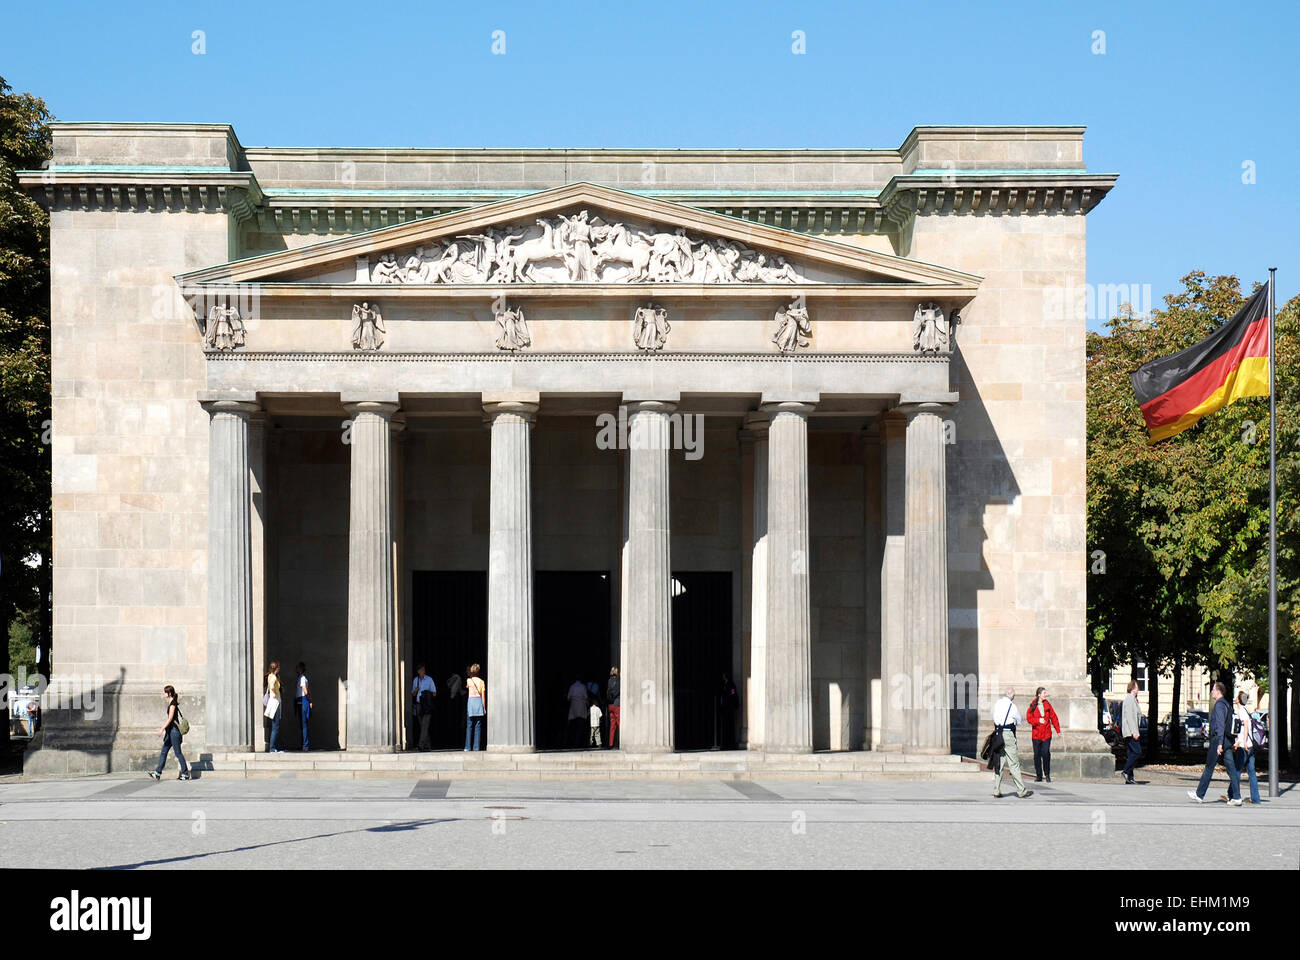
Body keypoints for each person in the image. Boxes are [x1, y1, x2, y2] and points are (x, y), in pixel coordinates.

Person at [1189, 682, 1241, 805]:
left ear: (1218, 691)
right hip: (1227, 740)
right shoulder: (1227, 705)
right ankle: (1237, 797)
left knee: (1209, 767)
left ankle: (1199, 794)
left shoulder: (1219, 705)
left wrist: (1219, 744)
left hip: (1219, 739)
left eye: (1213, 689)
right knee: (1231, 769)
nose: (1211, 691)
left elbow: (1220, 725)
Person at [990, 688, 1033, 799]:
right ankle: (1021, 790)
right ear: (1012, 695)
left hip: (998, 734)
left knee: (999, 762)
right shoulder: (1012, 706)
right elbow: (1018, 720)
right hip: (1008, 735)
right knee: (1014, 763)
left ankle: (996, 790)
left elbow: (994, 717)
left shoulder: (998, 703)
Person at [149, 685, 190, 780]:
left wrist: (162, 729)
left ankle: (185, 774)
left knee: (178, 753)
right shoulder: (171, 703)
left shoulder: (173, 704)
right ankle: (157, 773)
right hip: (170, 732)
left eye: (165, 692)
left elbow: (170, 718)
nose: (164, 694)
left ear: (169, 693)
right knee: (164, 752)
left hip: (174, 732)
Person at [1229, 690, 1261, 805]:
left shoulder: (1241, 710)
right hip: (1250, 746)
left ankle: (1232, 795)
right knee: (1251, 772)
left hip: (1245, 746)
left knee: (1237, 770)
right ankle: (1256, 798)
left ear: (1238, 699)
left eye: (1236, 696)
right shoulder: (1246, 710)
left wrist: (1241, 742)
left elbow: (1246, 726)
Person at [1027, 687, 1061, 782]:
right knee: (1037, 755)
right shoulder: (1033, 705)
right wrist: (1038, 720)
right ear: (1039, 695)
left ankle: (1047, 774)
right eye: (1044, 693)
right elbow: (1029, 718)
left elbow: (1054, 717)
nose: (1045, 694)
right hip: (1036, 734)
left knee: (1045, 753)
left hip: (1046, 734)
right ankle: (1039, 775)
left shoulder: (1048, 705)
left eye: (1045, 693)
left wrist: (1058, 730)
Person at [1120, 679, 1141, 784]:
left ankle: (1130, 777)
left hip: (1131, 731)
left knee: (1131, 753)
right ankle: (1126, 771)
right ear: (1133, 688)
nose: (1138, 689)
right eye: (1137, 687)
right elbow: (1130, 717)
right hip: (1130, 731)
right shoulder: (1129, 699)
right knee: (1137, 752)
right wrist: (1134, 732)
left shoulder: (1133, 699)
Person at [411, 664, 437, 751]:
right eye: (421, 670)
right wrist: (416, 690)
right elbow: (413, 694)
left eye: (423, 670)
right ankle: (428, 745)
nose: (423, 671)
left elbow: (434, 692)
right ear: (418, 671)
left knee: (425, 725)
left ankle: (421, 745)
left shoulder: (429, 679)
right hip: (419, 705)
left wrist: (427, 694)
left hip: (427, 706)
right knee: (423, 726)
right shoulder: (416, 680)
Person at [464, 663, 485, 751]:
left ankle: (467, 747)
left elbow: (467, 687)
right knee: (478, 726)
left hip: (471, 703)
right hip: (478, 702)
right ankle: (476, 747)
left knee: (469, 725)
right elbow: (483, 696)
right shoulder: (481, 682)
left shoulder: (469, 680)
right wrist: (484, 707)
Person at [265, 660, 284, 753]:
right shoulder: (273, 677)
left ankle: (273, 747)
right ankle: (272, 748)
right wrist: (276, 693)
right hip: (275, 701)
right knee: (275, 726)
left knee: (274, 725)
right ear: (276, 668)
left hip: (273, 701)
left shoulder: (270, 676)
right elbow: (272, 686)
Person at [566, 679, 590, 748]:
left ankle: (573, 743)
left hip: (573, 710)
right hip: (581, 709)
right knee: (580, 727)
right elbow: (585, 697)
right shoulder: (583, 687)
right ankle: (579, 743)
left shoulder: (572, 686)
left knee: (573, 727)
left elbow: (568, 698)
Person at [295, 662, 312, 752]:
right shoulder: (301, 678)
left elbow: (305, 690)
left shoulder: (302, 678)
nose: (296, 669)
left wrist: (309, 700)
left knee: (304, 724)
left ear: (301, 669)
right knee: (302, 724)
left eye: (297, 667)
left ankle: (305, 745)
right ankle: (303, 744)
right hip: (300, 700)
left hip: (303, 701)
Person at [605, 668, 620, 750]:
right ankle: (619, 743)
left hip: (610, 705)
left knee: (612, 726)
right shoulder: (618, 681)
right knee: (619, 724)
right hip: (617, 704)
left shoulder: (609, 681)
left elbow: (608, 692)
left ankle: (611, 744)